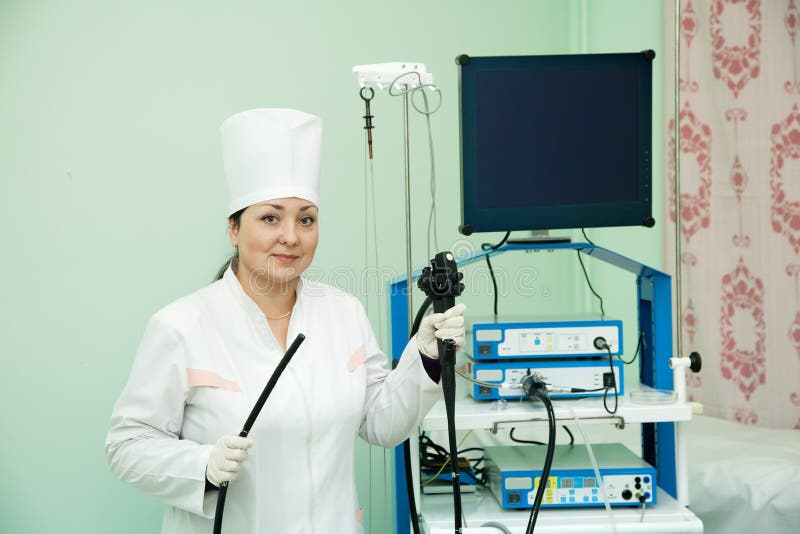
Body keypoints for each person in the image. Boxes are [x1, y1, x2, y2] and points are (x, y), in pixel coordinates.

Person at [105, 108, 466, 533]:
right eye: (271, 218)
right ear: (234, 229)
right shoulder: (180, 326)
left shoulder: (343, 312)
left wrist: (424, 357)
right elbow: (126, 447)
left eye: (306, 219)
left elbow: (381, 424)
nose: (291, 237)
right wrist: (200, 465)